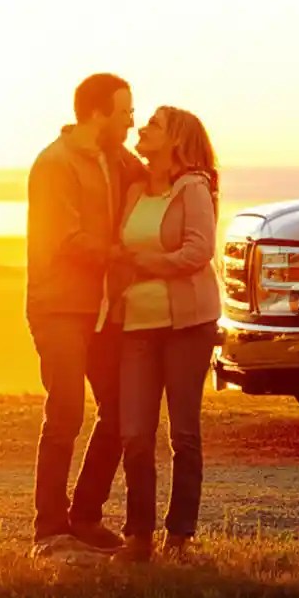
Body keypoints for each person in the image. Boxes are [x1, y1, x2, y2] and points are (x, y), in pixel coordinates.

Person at [26, 72, 147, 557]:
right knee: (66, 413)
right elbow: (67, 239)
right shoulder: (55, 165)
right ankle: (49, 530)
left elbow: (158, 173)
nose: (132, 122)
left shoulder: (116, 158)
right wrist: (124, 255)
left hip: (103, 309)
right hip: (59, 307)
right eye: (125, 113)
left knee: (120, 412)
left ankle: (85, 517)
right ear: (98, 113)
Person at [108, 106, 221, 562]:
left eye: (152, 125)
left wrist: (144, 263)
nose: (141, 128)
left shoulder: (193, 188)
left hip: (186, 325)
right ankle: (139, 534)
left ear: (175, 139)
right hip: (136, 325)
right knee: (134, 433)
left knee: (183, 433)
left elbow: (199, 250)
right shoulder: (135, 189)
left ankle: (179, 534)